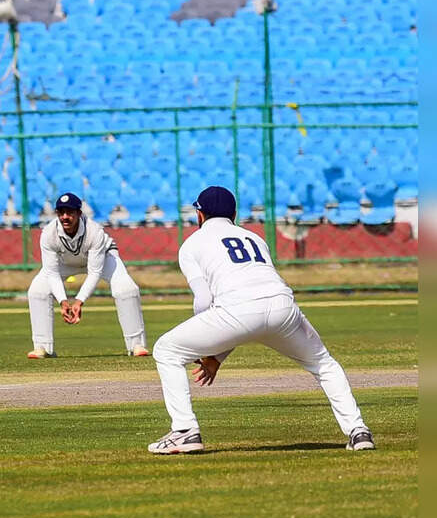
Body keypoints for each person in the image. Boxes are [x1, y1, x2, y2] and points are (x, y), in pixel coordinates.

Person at [148, 186, 374, 454]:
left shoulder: (192, 244)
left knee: (166, 349)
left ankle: (185, 431)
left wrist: (209, 347)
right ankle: (358, 432)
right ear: (234, 214)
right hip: (282, 306)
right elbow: (253, 301)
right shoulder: (254, 238)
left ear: (199, 214)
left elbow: (205, 301)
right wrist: (216, 356)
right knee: (324, 364)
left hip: (239, 310)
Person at [26, 192, 149, 359]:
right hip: (65, 261)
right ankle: (42, 347)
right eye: (61, 213)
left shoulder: (94, 231)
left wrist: (78, 301)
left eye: (70, 212)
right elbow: (52, 273)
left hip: (103, 256)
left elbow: (95, 271)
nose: (65, 217)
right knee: (37, 291)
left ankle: (136, 345)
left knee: (126, 289)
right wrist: (63, 302)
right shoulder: (48, 233)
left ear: (79, 213)